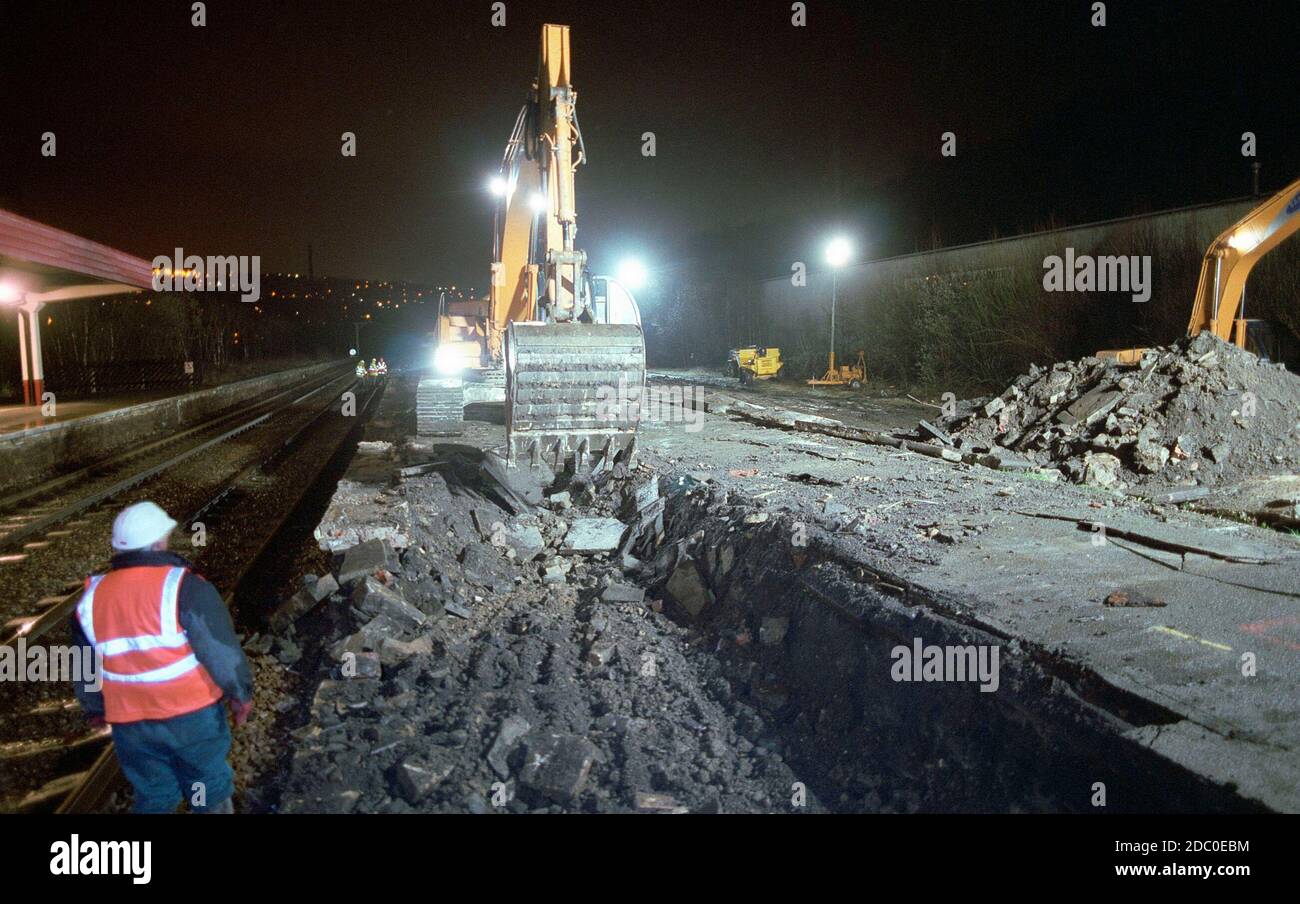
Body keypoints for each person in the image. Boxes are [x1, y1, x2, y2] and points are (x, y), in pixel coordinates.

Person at [69, 501, 254, 814]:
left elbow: (84, 667)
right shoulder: (182, 586)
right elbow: (220, 652)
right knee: (204, 784)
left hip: (132, 723)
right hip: (191, 717)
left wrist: (96, 710)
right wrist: (240, 694)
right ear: (157, 544)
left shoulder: (91, 598)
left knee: (154, 793)